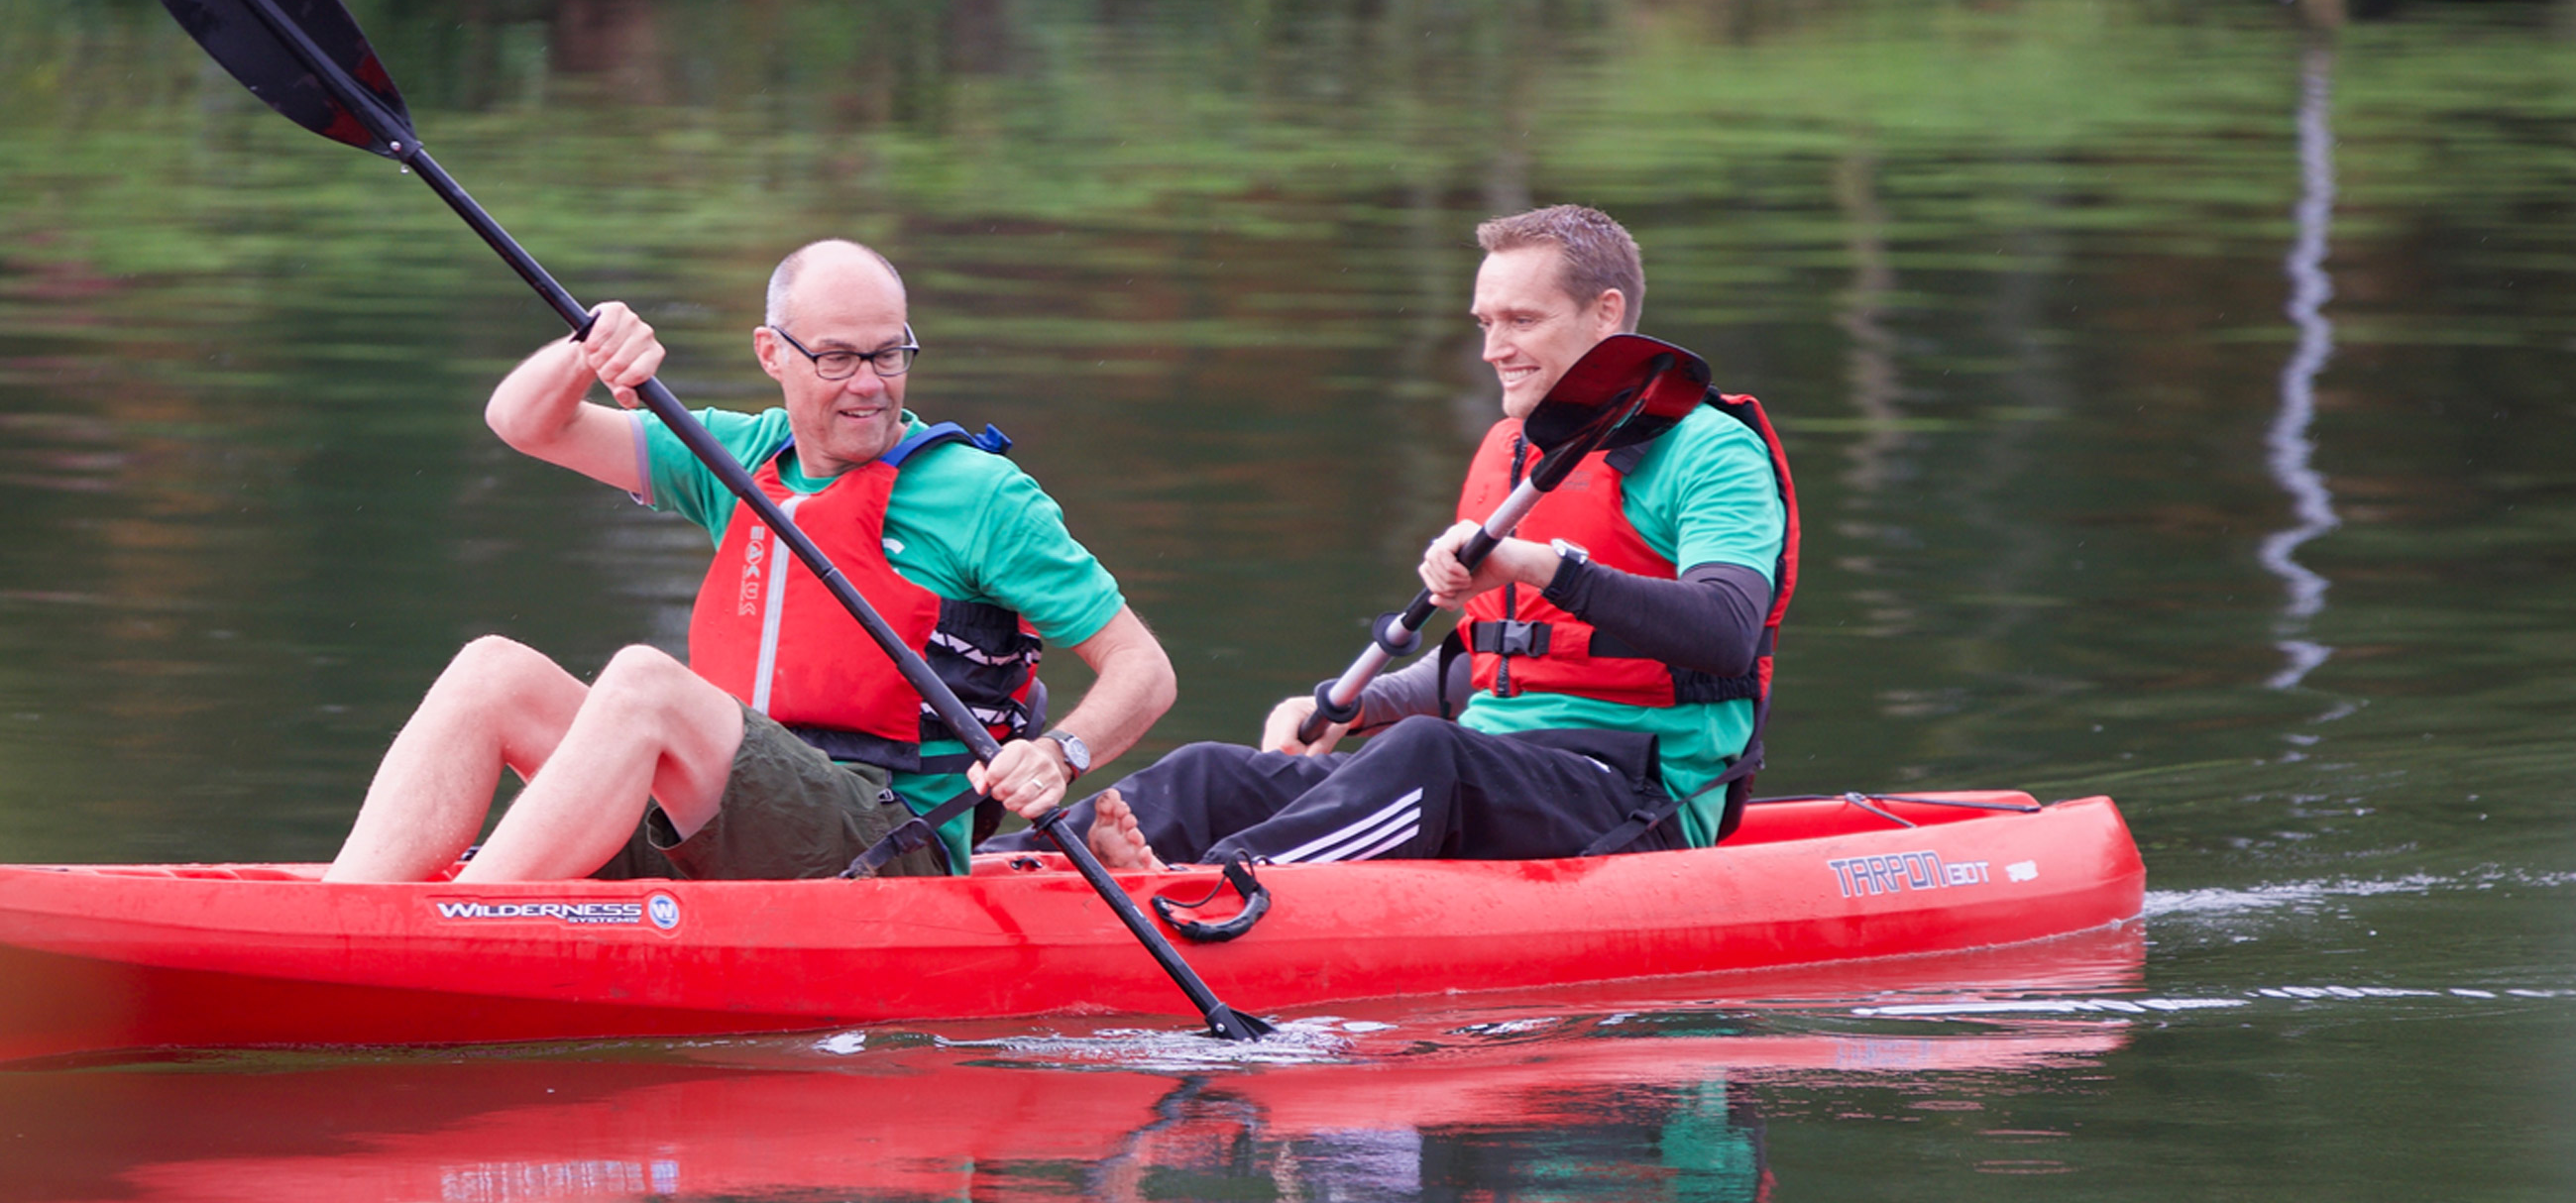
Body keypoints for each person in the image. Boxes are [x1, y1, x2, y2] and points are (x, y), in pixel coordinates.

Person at [325, 239, 1176, 884]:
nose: (870, 383)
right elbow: (525, 424)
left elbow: (1143, 669)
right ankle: (348, 918)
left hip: (885, 844)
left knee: (643, 682)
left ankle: (471, 925)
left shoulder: (981, 496)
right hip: (730, 819)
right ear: (773, 354)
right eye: (838, 357)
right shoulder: (735, 455)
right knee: (491, 672)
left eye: (888, 354)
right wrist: (590, 348)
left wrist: (1061, 753)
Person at [1011, 204, 1798, 872]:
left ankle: (1203, 892)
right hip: (1499, 771)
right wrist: (1358, 706)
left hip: (1637, 797)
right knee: (1207, 774)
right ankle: (1014, 872)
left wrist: (1540, 565)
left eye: (1522, 321)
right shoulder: (1515, 449)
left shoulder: (1710, 451)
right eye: (1487, 323)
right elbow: (1502, 662)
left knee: (1427, 753)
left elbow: (1726, 631)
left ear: (1606, 313)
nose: (1495, 349)